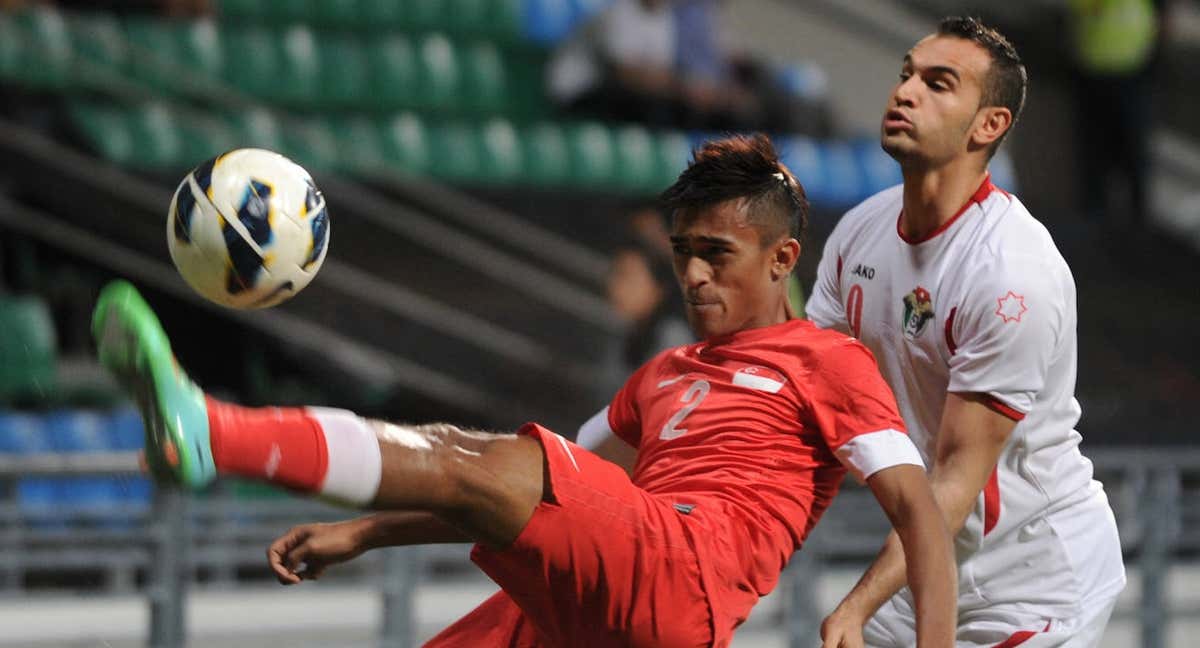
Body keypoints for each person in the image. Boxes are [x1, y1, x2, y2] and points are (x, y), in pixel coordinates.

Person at [91, 135, 957, 647]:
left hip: (683, 577)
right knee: (504, 473)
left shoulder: (827, 361)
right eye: (681, 252)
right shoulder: (661, 376)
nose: (691, 276)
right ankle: (212, 435)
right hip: (604, 589)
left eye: (715, 256)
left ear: (780, 260)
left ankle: (212, 431)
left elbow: (921, 514)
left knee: (484, 457)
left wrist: (876, 617)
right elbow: (528, 494)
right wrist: (364, 532)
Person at [806, 16, 1126, 648]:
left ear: (989, 125)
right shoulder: (860, 232)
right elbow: (811, 390)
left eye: (938, 83)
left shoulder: (1012, 275)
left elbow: (955, 479)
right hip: (934, 562)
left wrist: (855, 606)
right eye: (906, 75)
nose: (905, 92)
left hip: (1034, 579)